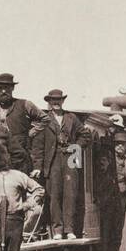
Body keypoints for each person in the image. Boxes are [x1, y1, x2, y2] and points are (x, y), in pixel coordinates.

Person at [38, 89, 83, 239]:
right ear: (49, 102)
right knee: (54, 195)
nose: (56, 103)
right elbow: (38, 145)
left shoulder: (71, 118)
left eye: (58, 100)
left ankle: (69, 230)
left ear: (63, 101)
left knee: (70, 194)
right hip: (52, 160)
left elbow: (86, 135)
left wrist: (76, 147)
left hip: (70, 158)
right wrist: (38, 167)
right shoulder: (44, 119)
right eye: (53, 100)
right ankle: (57, 230)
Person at [0, 72, 47, 176]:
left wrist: (32, 131)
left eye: (6, 87)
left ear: (12, 88)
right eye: (0, 88)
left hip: (20, 156)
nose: (3, 91)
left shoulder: (24, 104)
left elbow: (45, 118)